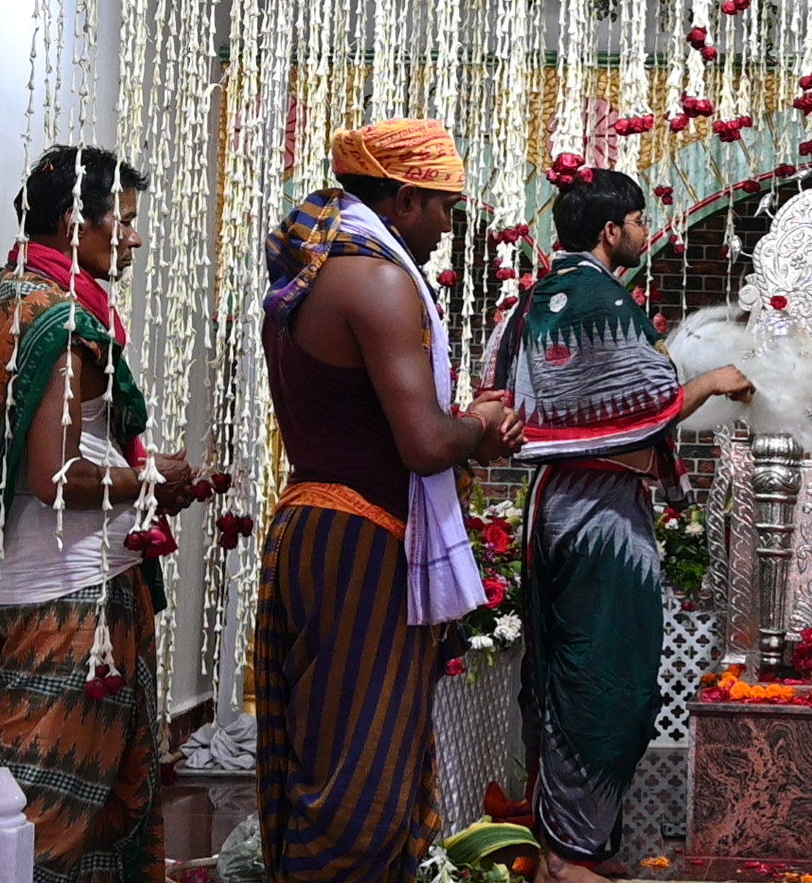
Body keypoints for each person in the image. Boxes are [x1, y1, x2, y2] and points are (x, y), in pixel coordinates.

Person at [252, 118, 525, 883]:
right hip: (362, 538)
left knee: (332, 750)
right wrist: (481, 424)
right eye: (443, 207)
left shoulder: (321, 267)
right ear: (404, 201)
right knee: (360, 772)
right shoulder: (375, 277)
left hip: (319, 519)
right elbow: (424, 445)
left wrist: (462, 426)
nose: (446, 227)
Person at [0, 145, 197, 883]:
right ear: (80, 220)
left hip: (21, 599)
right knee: (50, 829)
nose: (134, 237)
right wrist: (148, 476)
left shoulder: (1, 296)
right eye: (126, 221)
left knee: (26, 807)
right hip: (73, 607)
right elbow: (55, 472)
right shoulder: (63, 319)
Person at [483, 169, 750, 883]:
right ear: (610, 231)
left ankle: (577, 846)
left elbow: (501, 384)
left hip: (570, 503)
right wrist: (711, 382)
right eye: (638, 220)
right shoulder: (596, 297)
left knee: (586, 674)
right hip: (595, 510)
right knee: (607, 681)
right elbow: (640, 402)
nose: (645, 232)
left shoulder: (536, 298)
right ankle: (573, 856)